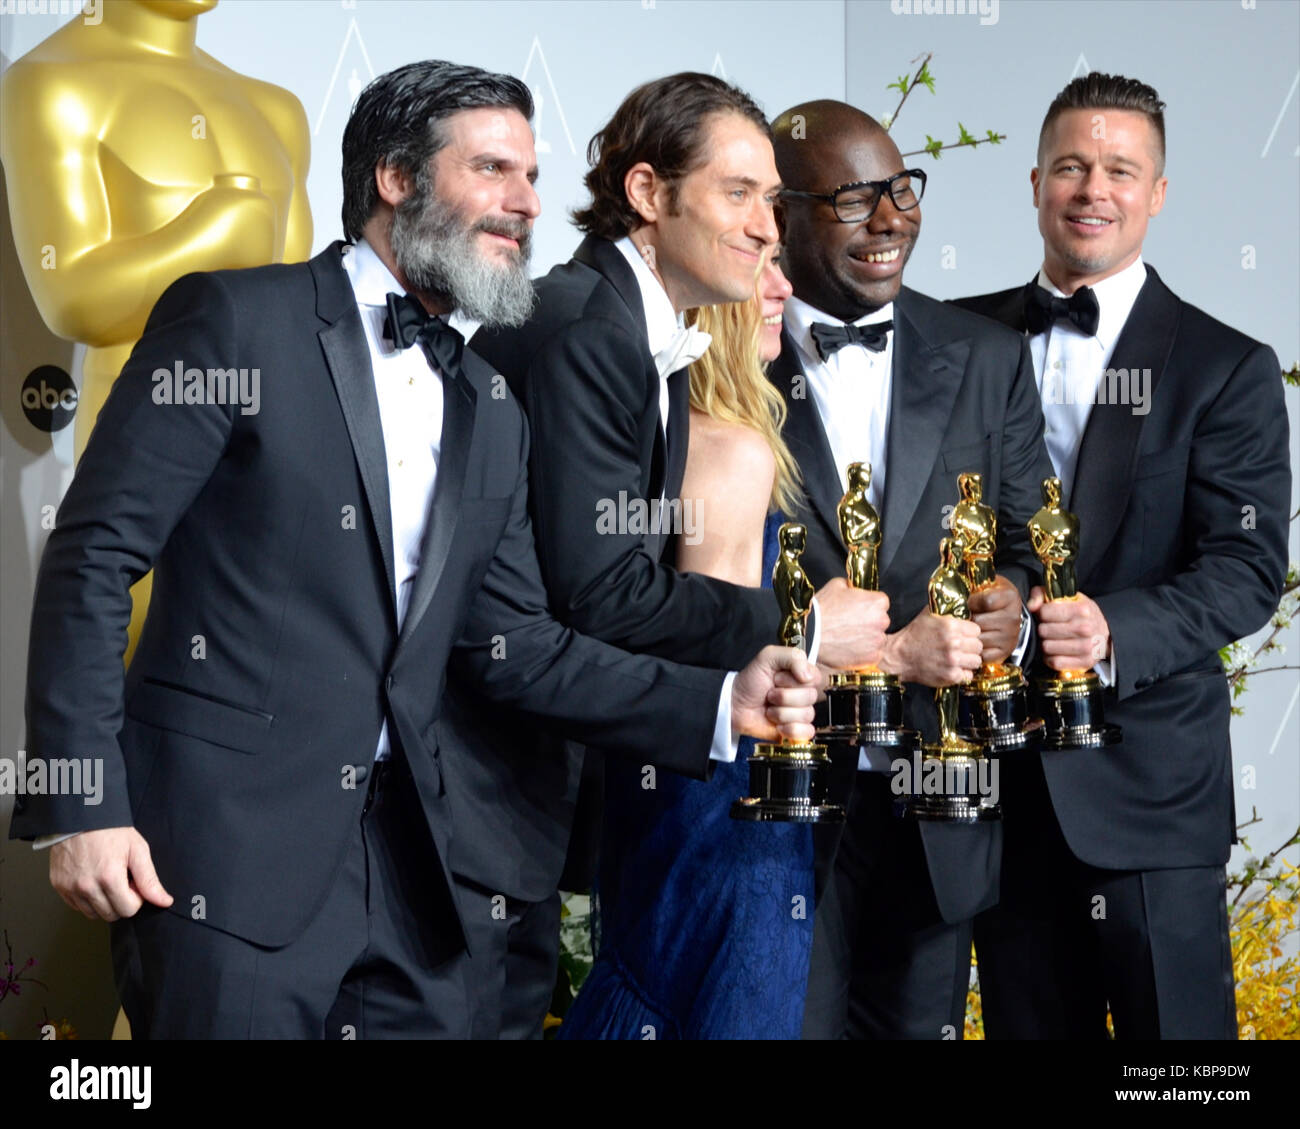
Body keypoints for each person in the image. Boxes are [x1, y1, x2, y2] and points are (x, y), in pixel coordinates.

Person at [6, 60, 821, 1040]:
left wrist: (719, 703)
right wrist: (83, 802)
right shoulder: (234, 320)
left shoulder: (488, 400)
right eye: (492, 169)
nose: (525, 203)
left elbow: (513, 642)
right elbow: (94, 552)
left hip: (421, 880)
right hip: (224, 863)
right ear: (395, 177)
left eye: (530, 174)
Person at [461, 73, 890, 1037]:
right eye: (739, 195)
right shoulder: (588, 331)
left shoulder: (629, 333)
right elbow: (602, 594)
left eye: (772, 202)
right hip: (486, 784)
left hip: (535, 783)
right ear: (650, 195)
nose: (770, 231)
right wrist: (808, 625)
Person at [952, 72, 1291, 1040]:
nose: (1091, 188)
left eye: (1118, 169)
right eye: (1070, 165)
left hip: (1149, 789)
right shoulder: (954, 340)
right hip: (997, 782)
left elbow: (1243, 569)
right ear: (1032, 182)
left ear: (1156, 193)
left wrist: (1110, 630)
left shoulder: (1225, 366)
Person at [767, 99, 1056, 1040]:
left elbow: (1020, 535)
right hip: (782, 793)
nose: (891, 218)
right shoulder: (718, 353)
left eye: (901, 190)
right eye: (854, 198)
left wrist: (1007, 599)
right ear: (779, 211)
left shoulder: (984, 353)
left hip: (940, 794)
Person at [557, 250, 822, 1039]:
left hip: (663, 795)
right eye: (763, 263)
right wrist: (818, 636)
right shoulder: (733, 452)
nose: (784, 285)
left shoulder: (677, 437)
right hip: (729, 813)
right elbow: (711, 650)